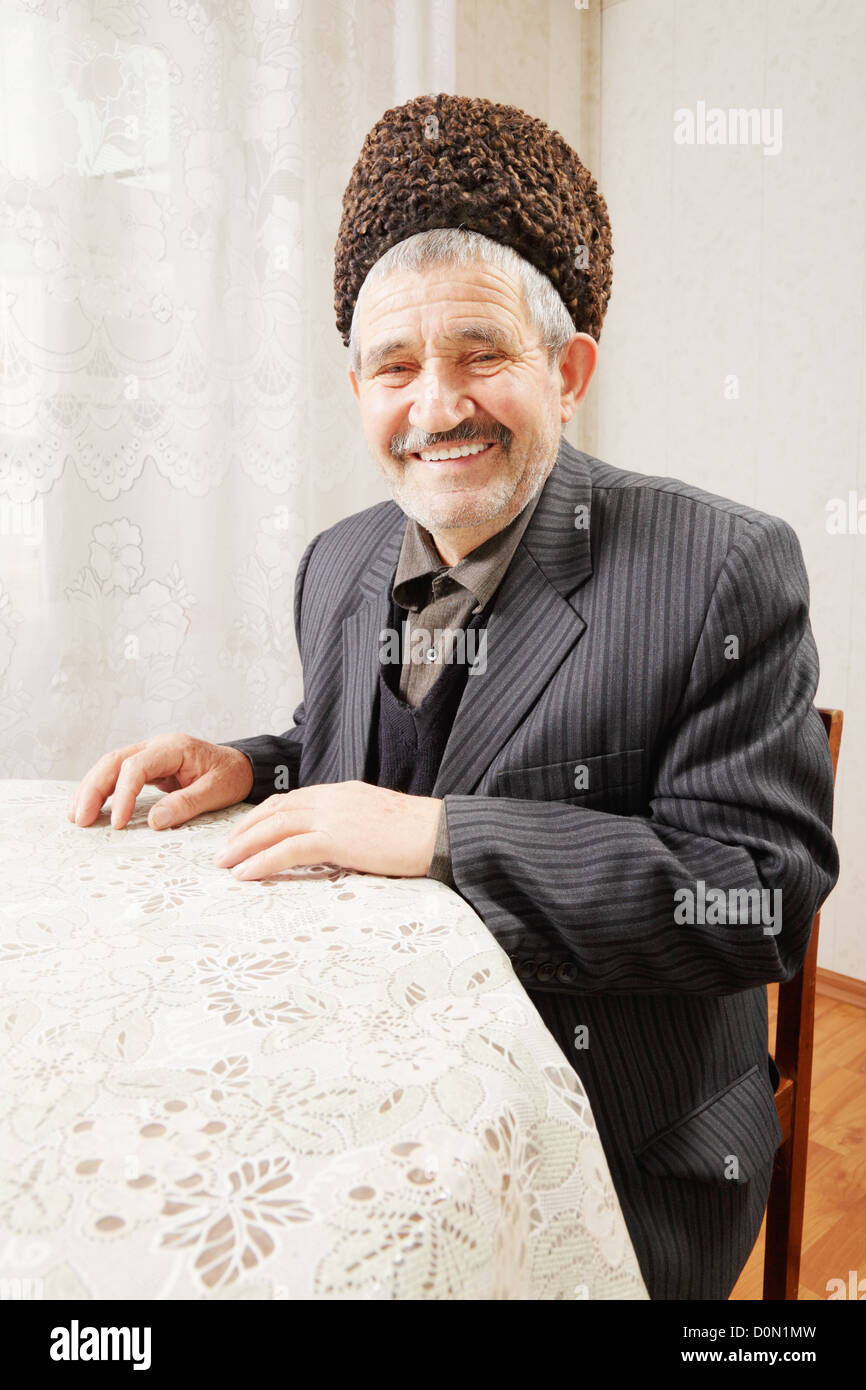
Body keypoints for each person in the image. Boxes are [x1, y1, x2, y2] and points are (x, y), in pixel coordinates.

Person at [68, 94, 839, 1300]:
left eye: (482, 353)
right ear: (357, 388)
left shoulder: (720, 565)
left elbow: (755, 898)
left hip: (613, 1142)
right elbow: (365, 764)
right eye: (393, 365)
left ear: (567, 369)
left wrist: (443, 839)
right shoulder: (338, 557)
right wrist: (255, 765)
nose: (437, 405)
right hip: (358, 1083)